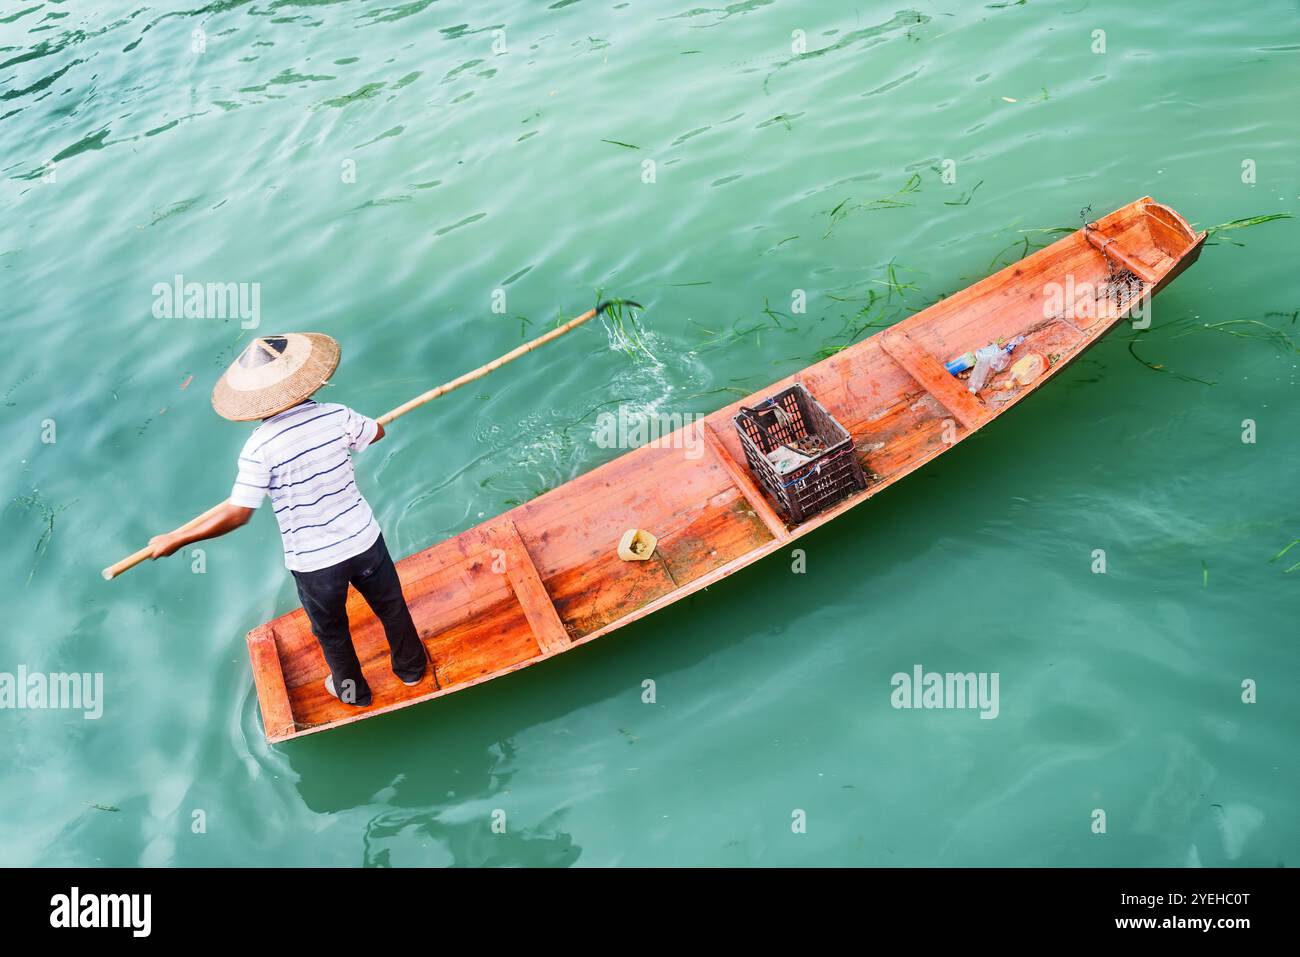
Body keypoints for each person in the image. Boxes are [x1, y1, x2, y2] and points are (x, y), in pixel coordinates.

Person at [148, 333, 428, 707]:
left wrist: (177, 539)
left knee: (331, 631)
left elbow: (239, 513)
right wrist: (350, 434)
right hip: (364, 542)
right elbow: (377, 432)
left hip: (315, 564)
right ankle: (411, 671)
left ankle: (354, 693)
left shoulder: (258, 449)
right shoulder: (336, 415)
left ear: (255, 401)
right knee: (391, 606)